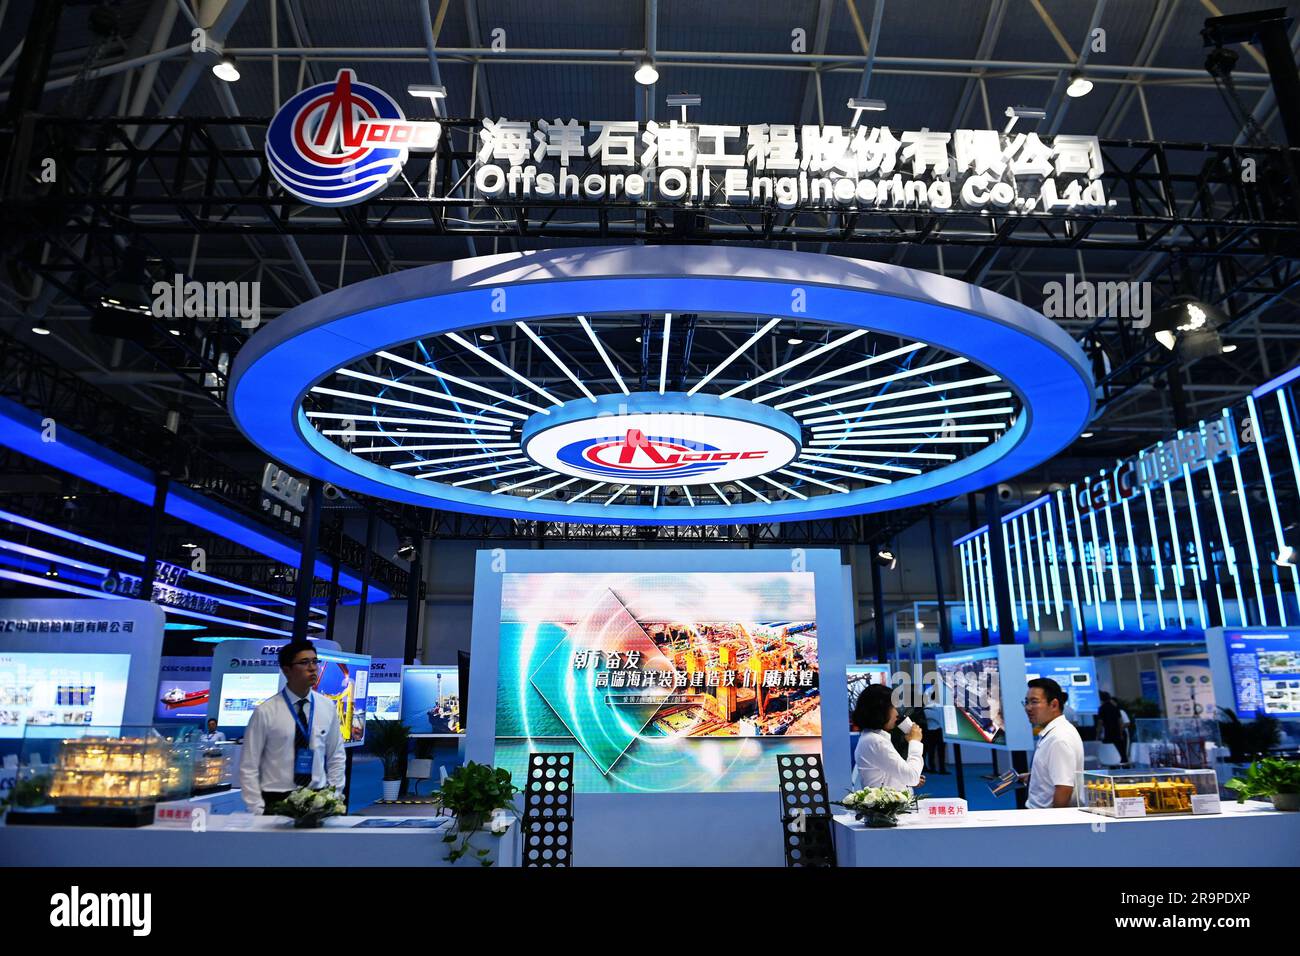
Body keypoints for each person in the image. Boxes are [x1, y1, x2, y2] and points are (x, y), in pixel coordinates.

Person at [239, 640, 346, 814]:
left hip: (317, 798)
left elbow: (336, 755)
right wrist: (257, 808)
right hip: (276, 798)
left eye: (315, 661)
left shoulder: (327, 707)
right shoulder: (266, 711)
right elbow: (249, 765)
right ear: (286, 670)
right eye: (304, 662)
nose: (313, 668)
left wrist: (333, 795)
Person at [1021, 678, 1085, 809]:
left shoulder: (1059, 738)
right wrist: (1035, 777)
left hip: (1044, 820)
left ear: (1054, 705)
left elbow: (1064, 789)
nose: (1028, 708)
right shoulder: (1054, 731)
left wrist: (1054, 826)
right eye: (1026, 702)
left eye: (1034, 702)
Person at [852, 684, 925, 790]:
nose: (896, 713)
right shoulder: (875, 741)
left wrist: (906, 777)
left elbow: (889, 773)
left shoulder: (872, 738)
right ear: (881, 710)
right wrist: (915, 742)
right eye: (893, 707)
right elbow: (912, 777)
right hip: (884, 805)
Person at [1096, 691, 1128, 764]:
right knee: (1121, 752)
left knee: (1109, 752)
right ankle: (1126, 767)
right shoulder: (1115, 707)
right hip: (1117, 733)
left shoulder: (1101, 708)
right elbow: (1120, 721)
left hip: (1108, 733)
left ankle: (1112, 767)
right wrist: (1121, 733)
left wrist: (1098, 735)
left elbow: (1100, 723)